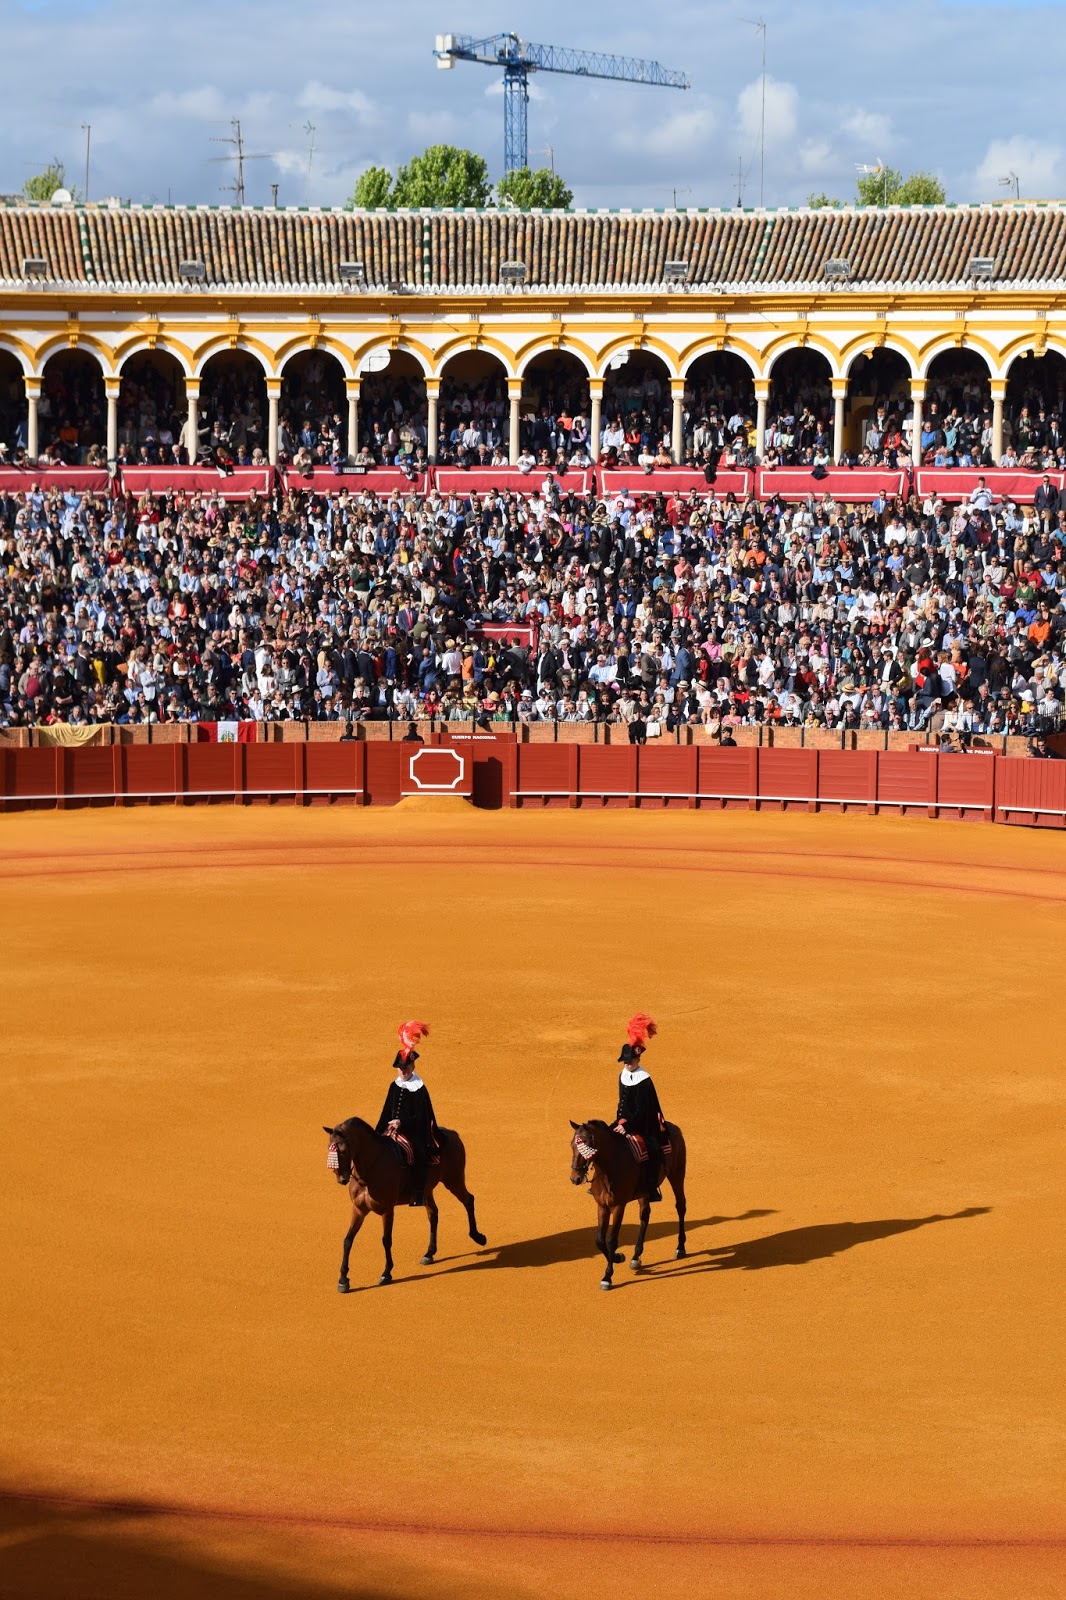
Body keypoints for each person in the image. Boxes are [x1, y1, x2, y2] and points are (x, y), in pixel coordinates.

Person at [375, 1021, 440, 1205]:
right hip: (393, 1130)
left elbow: (422, 1117)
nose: (402, 1071)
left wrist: (401, 1123)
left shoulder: (419, 1089)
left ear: (413, 1067)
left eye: (406, 1067)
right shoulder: (394, 1085)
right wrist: (377, 1133)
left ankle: (419, 1194)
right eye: (400, 1067)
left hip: (414, 1131)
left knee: (418, 1153)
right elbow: (386, 1111)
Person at [613, 1013, 669, 1202]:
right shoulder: (623, 1074)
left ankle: (652, 1188)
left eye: (630, 1061)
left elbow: (643, 1109)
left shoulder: (644, 1079)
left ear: (638, 1059)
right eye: (625, 1061)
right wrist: (619, 1121)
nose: (627, 1064)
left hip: (645, 1122)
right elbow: (622, 1102)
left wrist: (627, 1126)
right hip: (626, 1120)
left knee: (653, 1149)